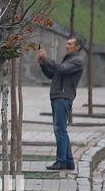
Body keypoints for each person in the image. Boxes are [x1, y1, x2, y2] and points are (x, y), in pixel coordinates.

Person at [36, 36, 85, 171]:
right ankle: (69, 162)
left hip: (63, 98)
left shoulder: (77, 61)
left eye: (70, 44)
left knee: (60, 130)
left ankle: (61, 161)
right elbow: (52, 74)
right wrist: (43, 63)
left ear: (77, 47)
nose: (66, 45)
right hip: (58, 97)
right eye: (67, 43)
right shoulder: (69, 59)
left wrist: (47, 59)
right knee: (62, 130)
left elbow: (62, 69)